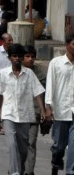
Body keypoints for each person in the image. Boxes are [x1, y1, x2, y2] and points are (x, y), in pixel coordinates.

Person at [0, 43, 46, 175]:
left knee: (23, 149)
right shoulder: (3, 74)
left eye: (19, 56)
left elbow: (38, 92)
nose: (17, 58)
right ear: (9, 58)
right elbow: (0, 96)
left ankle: (19, 169)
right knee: (12, 145)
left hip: (25, 115)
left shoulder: (29, 74)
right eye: (14, 56)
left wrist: (43, 110)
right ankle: (14, 172)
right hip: (8, 114)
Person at [46, 33, 74, 175]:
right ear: (67, 45)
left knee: (73, 148)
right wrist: (48, 107)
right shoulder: (56, 63)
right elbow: (50, 85)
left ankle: (70, 172)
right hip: (60, 111)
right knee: (59, 147)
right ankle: (55, 163)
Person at [22, 45, 48, 175]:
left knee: (30, 143)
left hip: (34, 114)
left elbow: (44, 95)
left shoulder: (40, 74)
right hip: (17, 115)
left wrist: (45, 112)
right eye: (27, 56)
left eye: (32, 57)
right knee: (17, 144)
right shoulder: (15, 71)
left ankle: (29, 171)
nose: (30, 59)